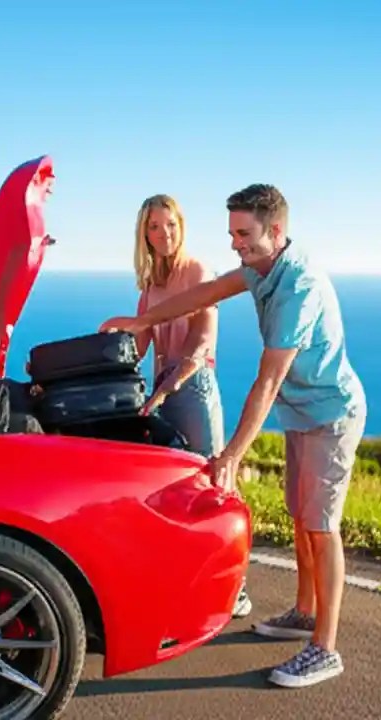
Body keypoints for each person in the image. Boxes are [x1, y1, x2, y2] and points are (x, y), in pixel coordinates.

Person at [99, 183, 366, 688]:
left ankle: (324, 648)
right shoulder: (260, 267)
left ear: (276, 231)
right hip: (302, 413)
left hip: (332, 414)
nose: (235, 243)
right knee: (300, 516)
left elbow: (267, 381)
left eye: (243, 234)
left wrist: (232, 455)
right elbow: (204, 293)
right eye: (232, 234)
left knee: (322, 525)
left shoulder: (297, 288)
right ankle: (304, 612)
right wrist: (142, 320)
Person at [116, 193, 252, 619]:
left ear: (181, 226)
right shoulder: (149, 286)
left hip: (191, 388)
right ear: (145, 234)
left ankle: (237, 586)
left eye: (169, 224)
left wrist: (169, 387)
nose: (163, 233)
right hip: (160, 387)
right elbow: (137, 347)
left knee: (212, 479)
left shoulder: (197, 271)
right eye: (154, 227)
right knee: (171, 488)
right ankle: (188, 580)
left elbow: (200, 343)